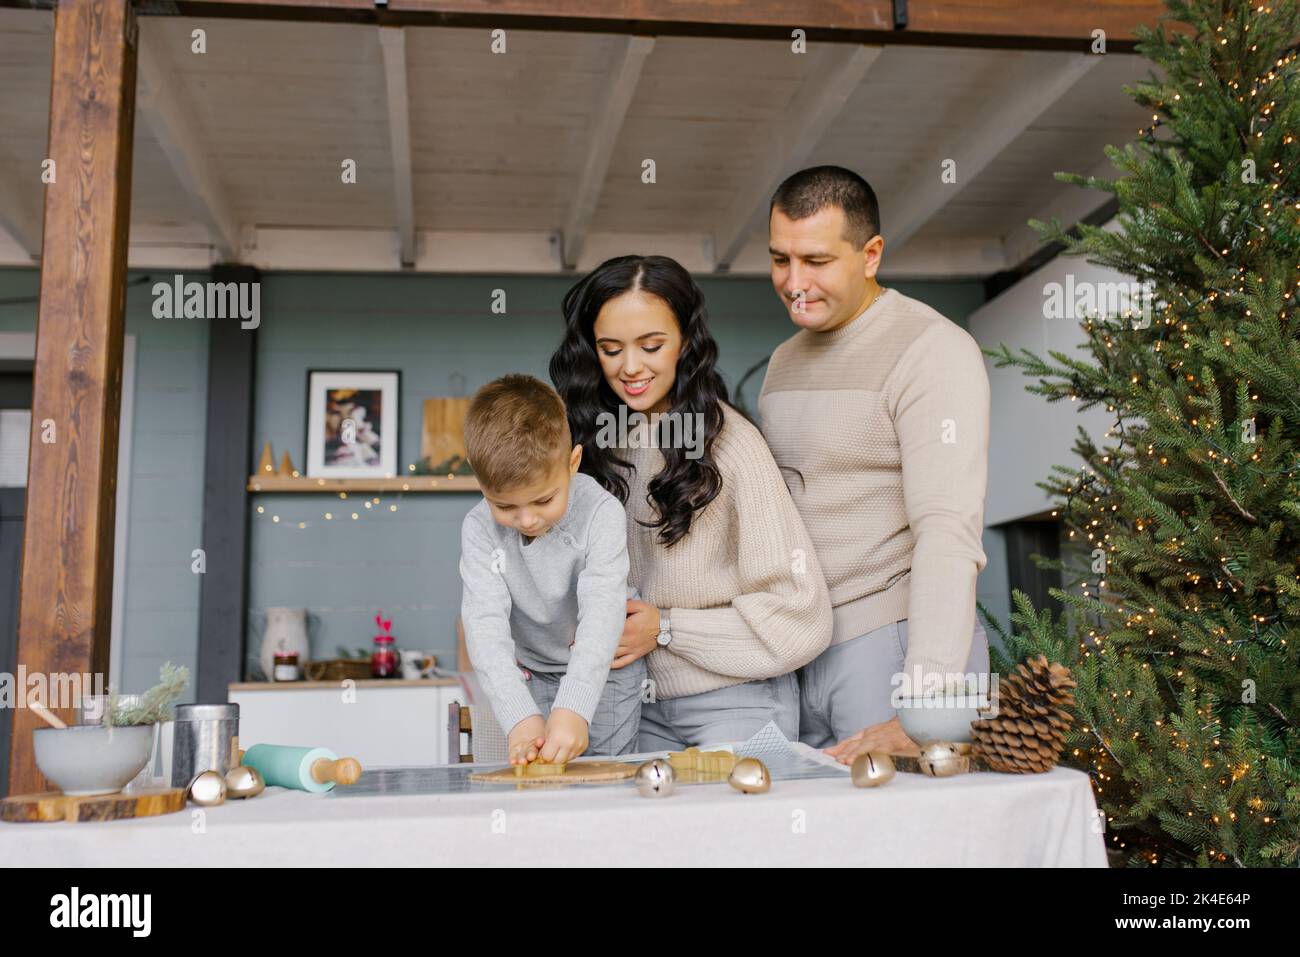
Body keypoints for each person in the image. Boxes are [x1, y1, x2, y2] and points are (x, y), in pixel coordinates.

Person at [550, 254, 831, 750]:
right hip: (630, 705)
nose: (630, 368)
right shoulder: (593, 448)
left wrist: (667, 629)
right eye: (610, 349)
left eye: (651, 345)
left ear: (686, 341)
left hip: (737, 702)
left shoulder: (732, 446)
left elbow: (800, 618)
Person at [759, 166, 991, 764]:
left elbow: (948, 532)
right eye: (780, 259)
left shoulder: (932, 349)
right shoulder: (783, 361)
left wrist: (927, 706)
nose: (793, 282)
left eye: (815, 260)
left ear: (870, 255)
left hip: (893, 650)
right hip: (799, 655)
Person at [458, 374, 644, 765]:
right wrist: (519, 717)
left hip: (605, 670)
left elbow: (601, 614)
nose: (526, 519)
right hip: (531, 674)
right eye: (505, 507)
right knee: (538, 787)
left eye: (543, 500)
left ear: (572, 463)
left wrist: (574, 707)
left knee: (605, 785)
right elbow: (484, 628)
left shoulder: (601, 513)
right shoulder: (478, 528)